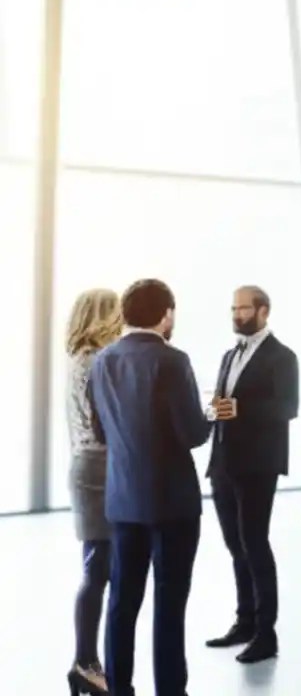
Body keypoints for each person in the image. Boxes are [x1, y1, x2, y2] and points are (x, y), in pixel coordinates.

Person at [90, 279, 211, 696]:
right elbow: (192, 433)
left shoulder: (102, 361)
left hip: (123, 501)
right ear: (166, 314)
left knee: (121, 602)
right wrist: (211, 414)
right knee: (169, 605)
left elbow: (99, 431)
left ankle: (119, 688)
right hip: (173, 503)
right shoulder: (173, 360)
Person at [205, 286, 299, 665]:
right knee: (235, 545)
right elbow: (225, 403)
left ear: (263, 311)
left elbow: (287, 407)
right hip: (224, 463)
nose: (236, 314)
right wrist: (217, 407)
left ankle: (266, 634)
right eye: (233, 307)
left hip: (258, 465)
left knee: (255, 544)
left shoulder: (282, 356)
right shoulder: (230, 355)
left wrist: (239, 408)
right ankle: (244, 622)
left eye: (243, 308)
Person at [64, 288, 123, 696]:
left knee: (97, 566)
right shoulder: (97, 362)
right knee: (99, 567)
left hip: (87, 466)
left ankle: (86, 662)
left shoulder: (79, 360)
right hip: (99, 469)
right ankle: (86, 662)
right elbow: (106, 424)